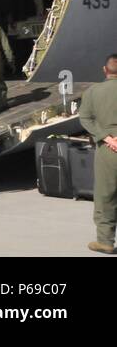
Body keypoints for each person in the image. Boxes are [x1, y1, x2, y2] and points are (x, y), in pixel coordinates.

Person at [78, 53, 117, 255]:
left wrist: (106, 137)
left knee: (106, 194)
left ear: (105, 70)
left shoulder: (93, 91)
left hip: (108, 149)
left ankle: (105, 241)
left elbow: (84, 117)